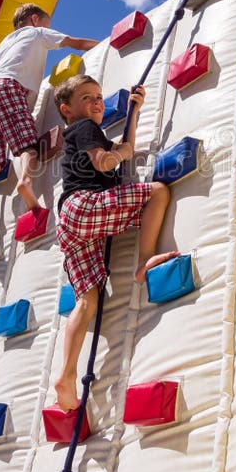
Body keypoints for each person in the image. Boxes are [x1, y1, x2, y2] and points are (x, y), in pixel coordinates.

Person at [53, 74, 179, 411]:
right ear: (68, 110)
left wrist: (133, 113)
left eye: (98, 96)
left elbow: (120, 151)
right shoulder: (83, 128)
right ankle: (145, 259)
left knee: (87, 300)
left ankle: (65, 376)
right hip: (84, 207)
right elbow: (107, 161)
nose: (96, 102)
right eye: (86, 98)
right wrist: (120, 152)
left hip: (69, 221)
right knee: (157, 192)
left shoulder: (81, 135)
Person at [0, 4, 97, 243]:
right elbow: (73, 42)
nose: (49, 28)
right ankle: (26, 182)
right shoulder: (36, 32)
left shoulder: (4, 44)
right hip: (9, 86)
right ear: (35, 20)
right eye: (48, 24)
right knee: (27, 145)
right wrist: (103, 45)